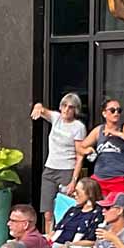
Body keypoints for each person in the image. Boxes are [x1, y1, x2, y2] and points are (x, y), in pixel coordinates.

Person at [31, 93, 87, 235]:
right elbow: (42, 109)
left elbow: (80, 156)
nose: (66, 109)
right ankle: (49, 240)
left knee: (64, 210)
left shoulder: (78, 127)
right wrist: (38, 107)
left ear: (76, 110)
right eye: (64, 106)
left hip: (66, 170)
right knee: (47, 212)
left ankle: (63, 241)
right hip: (50, 169)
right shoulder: (56, 118)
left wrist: (74, 180)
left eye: (71, 107)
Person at [77, 98, 124, 197]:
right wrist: (87, 150)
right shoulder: (98, 130)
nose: (116, 113)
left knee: (117, 210)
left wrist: (118, 134)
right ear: (104, 113)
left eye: (119, 110)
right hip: (99, 178)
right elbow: (80, 147)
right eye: (112, 110)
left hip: (120, 179)